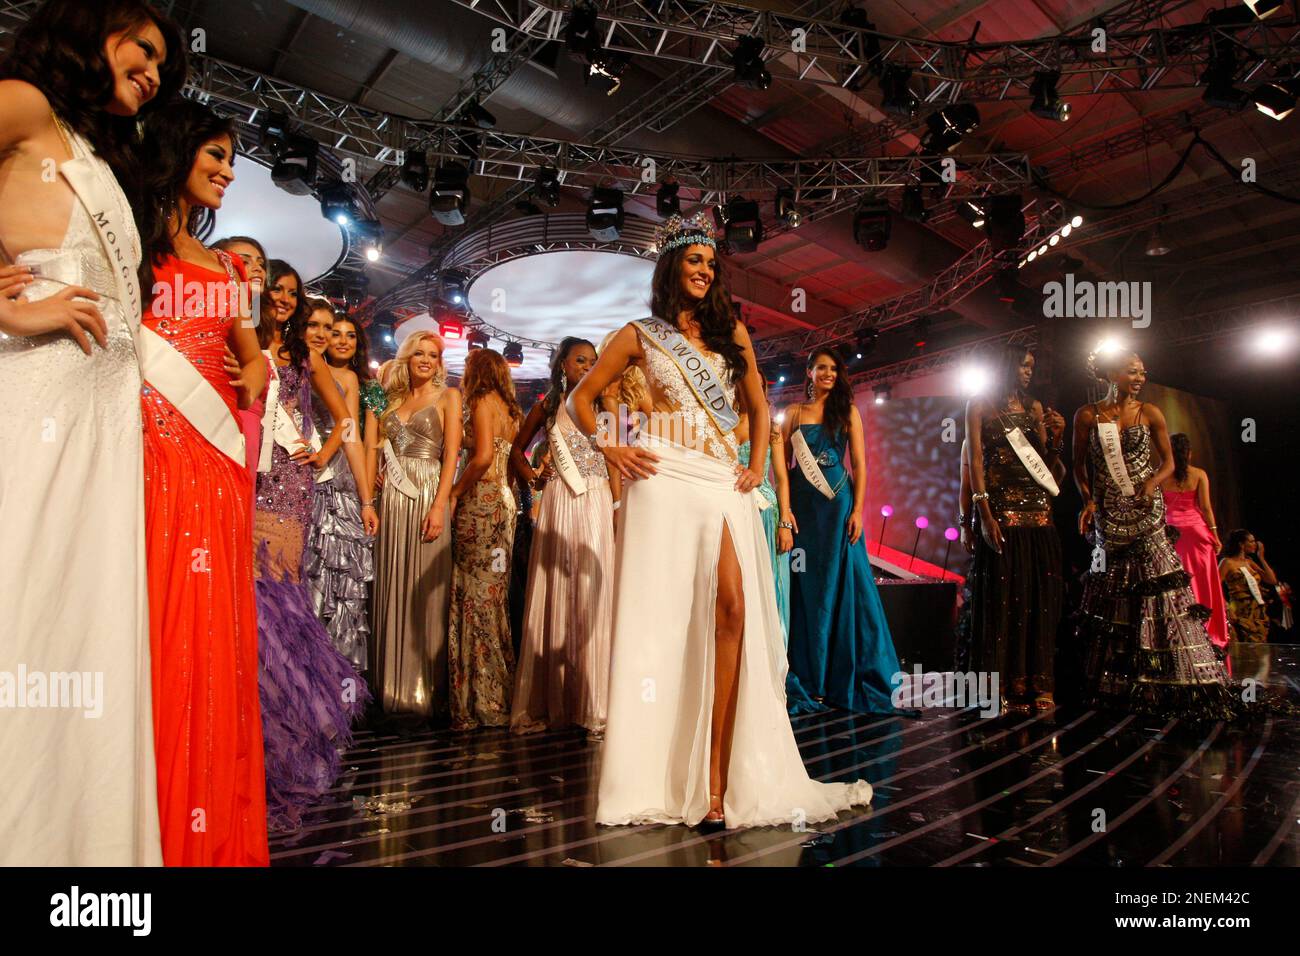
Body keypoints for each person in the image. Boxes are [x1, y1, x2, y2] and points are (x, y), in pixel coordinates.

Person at [567, 212, 872, 829]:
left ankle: (721, 780)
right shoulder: (638, 334)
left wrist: (757, 464)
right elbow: (580, 398)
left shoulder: (732, 331)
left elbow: (760, 406)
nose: (705, 271)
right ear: (673, 267)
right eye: (694, 261)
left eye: (712, 262)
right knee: (670, 621)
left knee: (733, 605)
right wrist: (611, 446)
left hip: (721, 479)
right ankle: (673, 779)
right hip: (663, 479)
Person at [0, 0, 185, 867]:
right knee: (28, 617)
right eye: (141, 49)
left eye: (162, 65)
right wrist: (9, 301)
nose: (151, 71)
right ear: (89, 27)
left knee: (84, 628)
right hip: (36, 400)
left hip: (99, 423)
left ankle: (75, 852)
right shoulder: (28, 106)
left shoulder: (88, 146)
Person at [135, 99, 268, 865]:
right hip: (148, 450)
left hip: (214, 459)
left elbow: (252, 360)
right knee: (157, 617)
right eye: (214, 155)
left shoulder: (230, 268)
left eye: (231, 161)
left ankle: (205, 808)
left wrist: (244, 374)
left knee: (211, 631)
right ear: (179, 152)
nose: (224, 171)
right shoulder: (135, 243)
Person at [253, 262, 371, 829]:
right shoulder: (247, 341)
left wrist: (321, 457)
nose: (282, 298)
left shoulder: (306, 359)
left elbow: (346, 421)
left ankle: (286, 735)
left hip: (287, 489)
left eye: (290, 293)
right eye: (275, 289)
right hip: (241, 478)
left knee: (273, 605)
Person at [1072, 349, 1240, 719]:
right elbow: (1079, 466)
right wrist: (1088, 500)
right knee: (1112, 584)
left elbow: (1168, 463)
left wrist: (1152, 483)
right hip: (1109, 511)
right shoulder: (1087, 415)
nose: (1140, 378)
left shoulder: (1150, 413)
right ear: (1111, 373)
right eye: (1132, 371)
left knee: (1156, 583)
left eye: (1142, 372)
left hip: (1146, 508)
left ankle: (1164, 674)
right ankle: (1114, 679)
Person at [780, 347, 901, 715]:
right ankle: (807, 675)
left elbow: (861, 466)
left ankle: (836, 677)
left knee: (839, 587)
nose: (828, 374)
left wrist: (859, 511)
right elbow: (781, 465)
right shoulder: (794, 413)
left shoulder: (847, 411)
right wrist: (784, 512)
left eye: (834, 369)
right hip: (803, 511)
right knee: (807, 588)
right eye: (821, 368)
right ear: (809, 373)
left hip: (838, 511)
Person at [509, 337, 615, 737]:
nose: (587, 367)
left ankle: (594, 701)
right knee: (559, 590)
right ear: (563, 365)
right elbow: (516, 451)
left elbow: (615, 463)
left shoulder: (604, 408)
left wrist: (620, 509)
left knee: (593, 593)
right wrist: (534, 479)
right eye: (579, 361)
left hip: (598, 499)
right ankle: (558, 697)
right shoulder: (547, 406)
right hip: (559, 501)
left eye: (592, 361)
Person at [964, 345, 1065, 713]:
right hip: (1001, 510)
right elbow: (975, 461)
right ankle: (998, 685)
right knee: (1002, 601)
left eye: (1031, 367)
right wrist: (983, 513)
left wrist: (1056, 438)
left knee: (1036, 598)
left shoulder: (1035, 408)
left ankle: (1035, 682)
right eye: (1023, 365)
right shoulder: (979, 405)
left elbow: (1049, 469)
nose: (1028, 372)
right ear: (1006, 365)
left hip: (1038, 511)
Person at [368, 331, 462, 719]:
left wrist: (441, 505)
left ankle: (420, 692)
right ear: (406, 357)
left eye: (434, 355)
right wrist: (372, 483)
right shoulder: (389, 399)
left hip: (426, 495)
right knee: (390, 584)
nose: (426, 359)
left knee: (422, 588)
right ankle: (385, 687)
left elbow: (453, 454)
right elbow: (372, 445)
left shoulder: (449, 397)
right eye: (419, 353)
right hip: (391, 498)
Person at [447, 347, 522, 731]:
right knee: (493, 595)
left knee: (474, 593)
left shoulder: (479, 400)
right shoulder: (510, 409)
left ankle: (477, 700)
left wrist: (456, 491)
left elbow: (481, 457)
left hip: (481, 501)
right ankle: (497, 690)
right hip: (504, 504)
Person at [304, 303, 374, 671]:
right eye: (333, 331)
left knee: (338, 572)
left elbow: (353, 436)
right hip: (296, 473)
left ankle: (331, 671)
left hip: (337, 479)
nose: (340, 340)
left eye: (349, 334)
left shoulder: (348, 380)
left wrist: (366, 500)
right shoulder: (297, 364)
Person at [1159, 433, 1229, 650]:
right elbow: (1206, 508)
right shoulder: (1199, 474)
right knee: (1203, 580)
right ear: (1189, 453)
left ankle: (1179, 632)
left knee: (1177, 580)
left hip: (1172, 532)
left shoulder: (1160, 476)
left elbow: (1158, 510)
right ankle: (1207, 629)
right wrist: (1215, 534)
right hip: (1197, 532)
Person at [211, 235, 269, 489]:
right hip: (215, 418)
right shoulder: (207, 313)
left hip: (251, 430)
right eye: (244, 261)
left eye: (261, 262)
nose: (257, 268)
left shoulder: (259, 327)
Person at [1220, 529, 1276, 682]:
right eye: (1251, 541)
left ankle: (1254, 693)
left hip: (1257, 613)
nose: (1254, 544)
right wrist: (1225, 606)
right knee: (1245, 655)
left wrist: (1261, 558)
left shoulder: (1250, 562)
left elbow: (1271, 580)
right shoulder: (1227, 562)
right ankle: (1244, 692)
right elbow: (1215, 586)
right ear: (1241, 544)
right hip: (1240, 612)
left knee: (1259, 654)